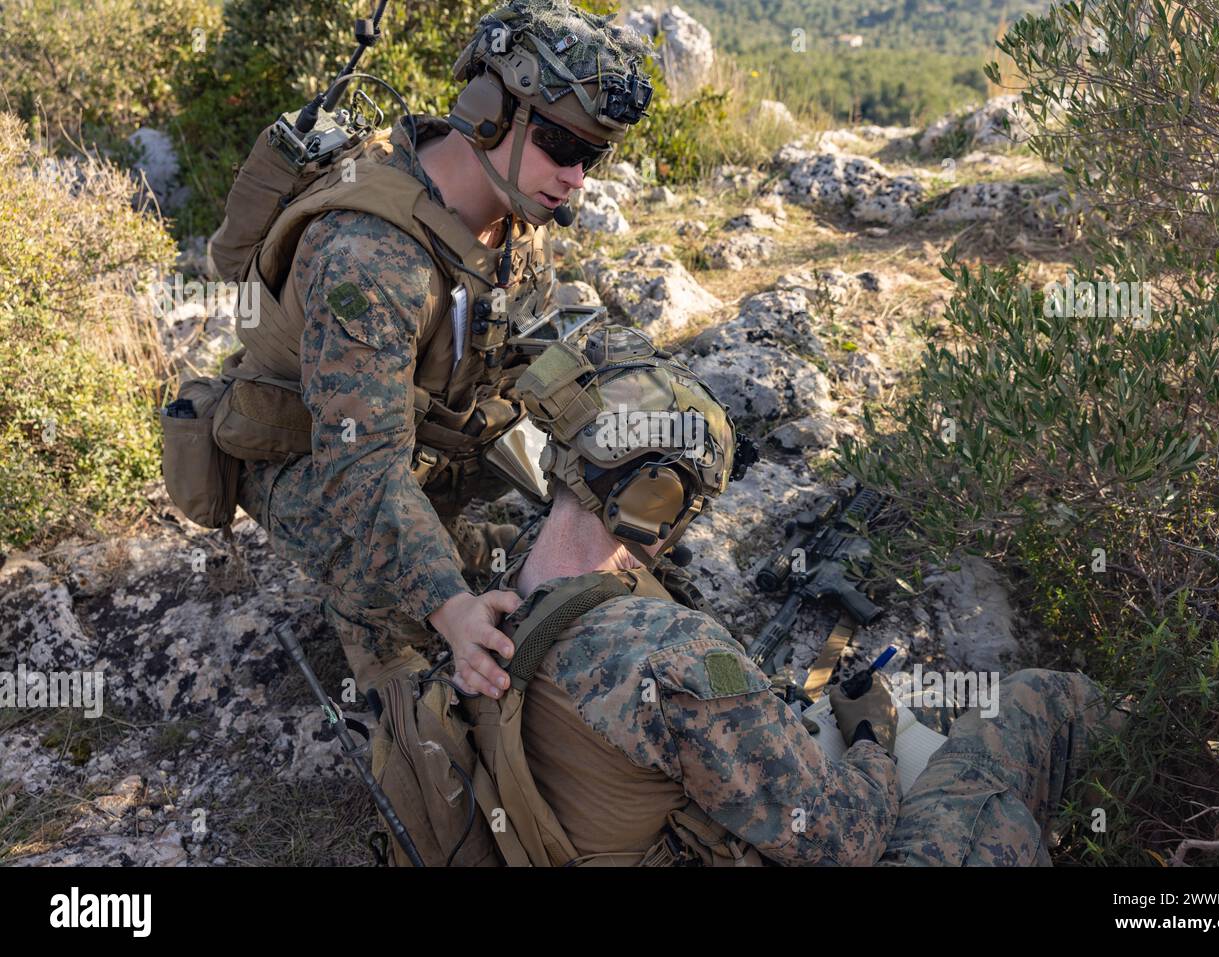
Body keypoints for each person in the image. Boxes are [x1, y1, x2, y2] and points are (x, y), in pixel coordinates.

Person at [487, 326, 1130, 866]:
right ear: (655, 498)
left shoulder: (497, 593)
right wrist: (873, 739)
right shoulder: (670, 651)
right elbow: (840, 840)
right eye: (691, 503)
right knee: (1035, 705)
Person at [214, 0, 654, 695]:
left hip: (427, 429)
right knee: (426, 609)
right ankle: (373, 624)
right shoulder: (370, 257)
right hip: (313, 457)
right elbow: (361, 465)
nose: (578, 179)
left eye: (592, 156)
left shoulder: (513, 209)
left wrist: (636, 425)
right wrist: (449, 605)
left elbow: (527, 346)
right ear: (487, 112)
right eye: (563, 148)